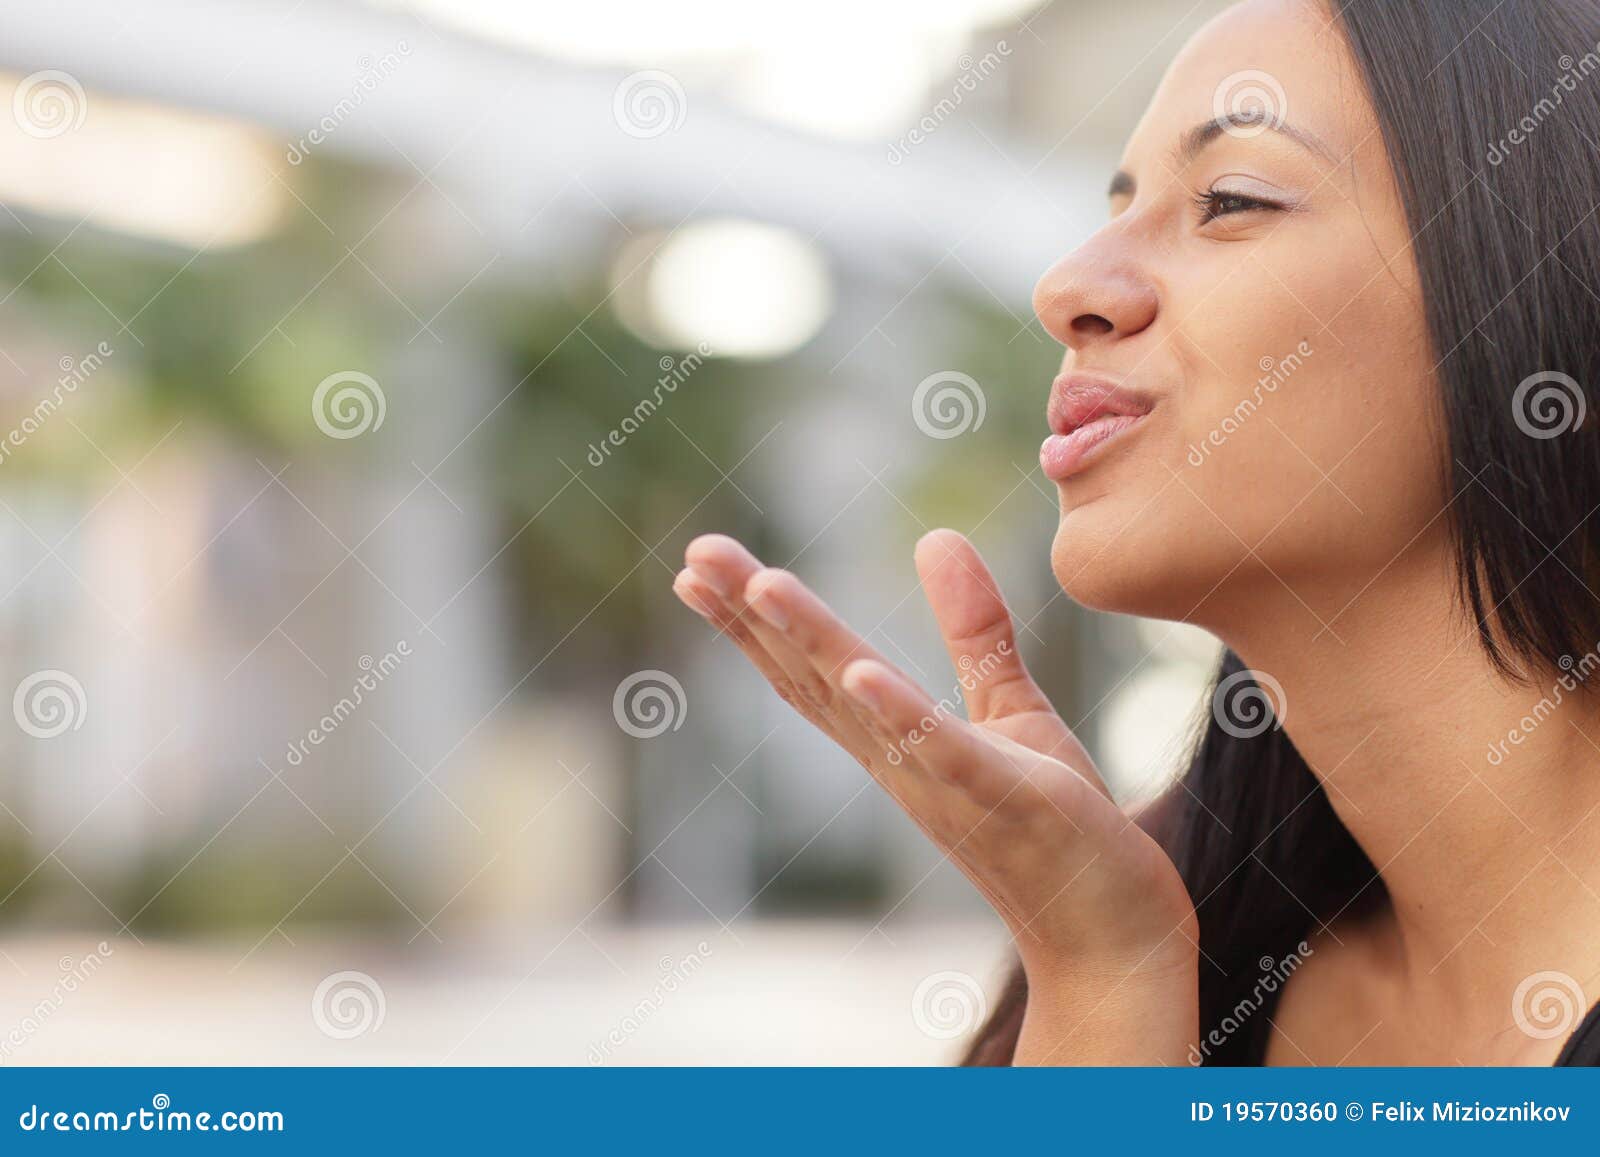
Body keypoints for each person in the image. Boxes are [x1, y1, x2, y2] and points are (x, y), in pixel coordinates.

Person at [672, 0, 1600, 1065]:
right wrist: (1102, 971)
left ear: (1544, 281)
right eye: (1116, 207)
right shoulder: (1189, 932)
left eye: (1231, 200)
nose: (1066, 287)